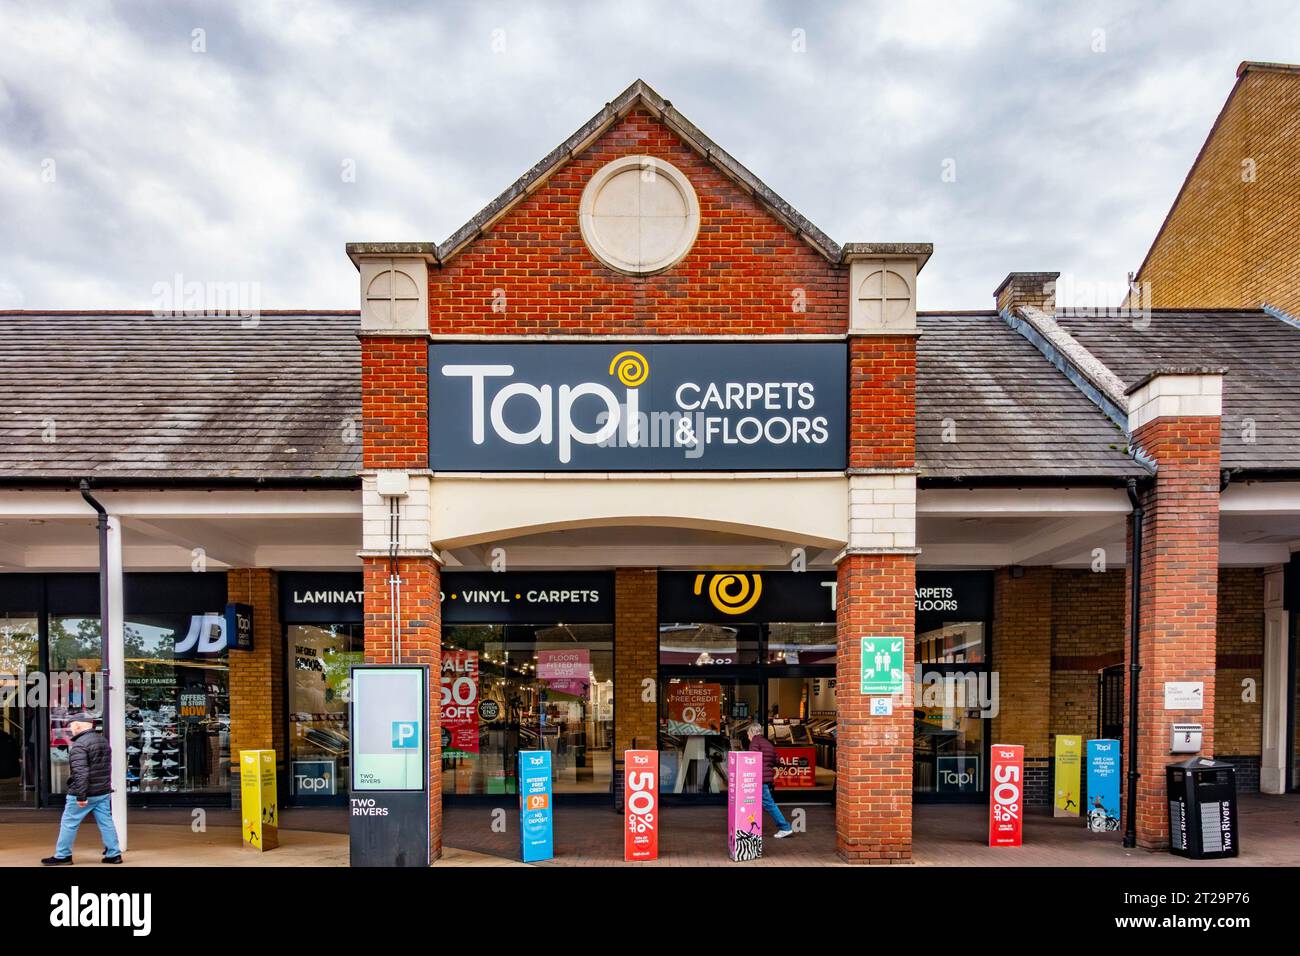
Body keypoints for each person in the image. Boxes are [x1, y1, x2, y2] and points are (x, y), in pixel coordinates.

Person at [42, 713, 122, 865]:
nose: (70, 729)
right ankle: (114, 854)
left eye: (71, 725)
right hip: (102, 791)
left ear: (77, 725)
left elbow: (81, 773)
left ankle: (62, 855)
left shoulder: (79, 745)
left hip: (85, 792)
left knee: (69, 822)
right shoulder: (102, 740)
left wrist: (81, 795)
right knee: (106, 822)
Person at [746, 724, 793, 839]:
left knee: (769, 804)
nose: (748, 737)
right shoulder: (768, 743)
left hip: (759, 778)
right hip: (766, 778)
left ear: (751, 733)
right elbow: (777, 760)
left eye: (748, 735)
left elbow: (752, 759)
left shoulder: (755, 743)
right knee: (760, 803)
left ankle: (785, 827)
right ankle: (750, 827)